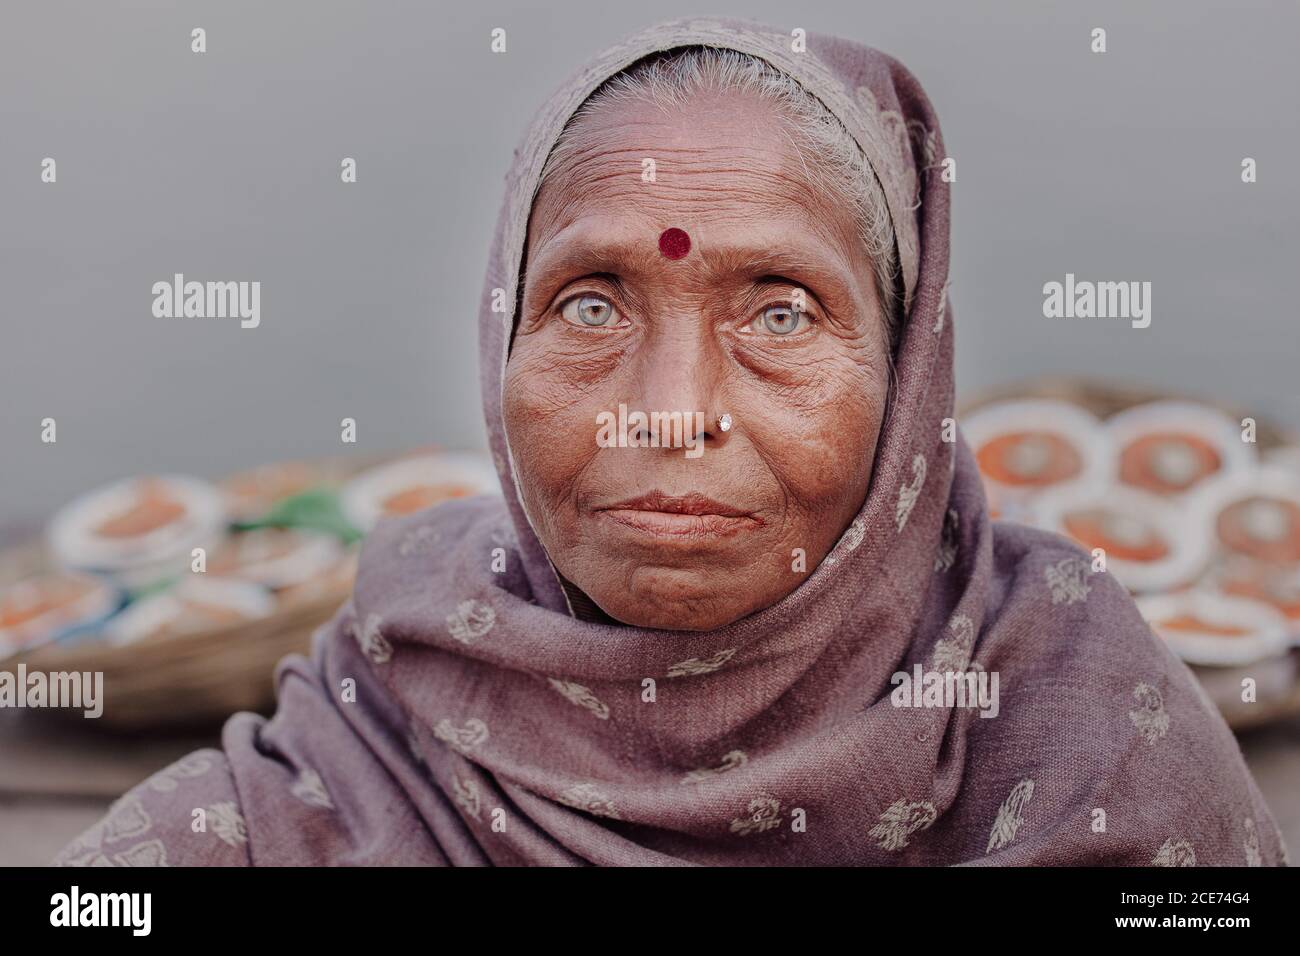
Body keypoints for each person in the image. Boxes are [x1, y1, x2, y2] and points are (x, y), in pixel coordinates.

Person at [56, 17, 1285, 867]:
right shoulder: (396, 683)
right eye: (588, 305)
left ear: (906, 372)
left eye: (781, 311)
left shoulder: (1073, 709)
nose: (668, 407)